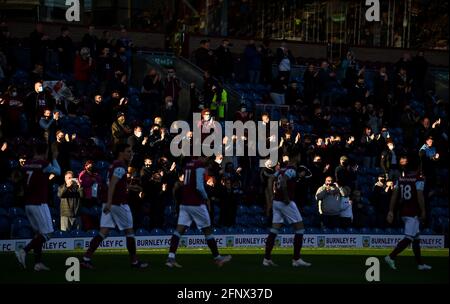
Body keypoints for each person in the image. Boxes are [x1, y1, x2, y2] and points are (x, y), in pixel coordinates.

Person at [80, 144, 148, 269]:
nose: (130, 154)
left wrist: (129, 187)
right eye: (128, 151)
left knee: (103, 232)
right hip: (118, 204)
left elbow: (114, 184)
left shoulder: (113, 165)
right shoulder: (120, 166)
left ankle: (86, 258)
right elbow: (112, 184)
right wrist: (111, 202)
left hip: (110, 203)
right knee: (130, 232)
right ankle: (134, 262)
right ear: (120, 153)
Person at [165, 157, 232, 268]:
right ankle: (217, 258)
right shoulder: (199, 166)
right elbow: (199, 187)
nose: (207, 160)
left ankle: (171, 258)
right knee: (207, 230)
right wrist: (206, 198)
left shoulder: (188, 165)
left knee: (178, 230)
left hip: (185, 203)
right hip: (196, 203)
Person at [14, 141, 61, 271]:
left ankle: (38, 263)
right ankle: (23, 250)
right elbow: (58, 171)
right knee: (48, 234)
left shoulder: (27, 164)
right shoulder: (44, 164)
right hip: (39, 203)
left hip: (28, 204)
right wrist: (55, 158)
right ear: (45, 152)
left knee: (38, 234)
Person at [384, 159, 432, 271]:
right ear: (418, 168)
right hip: (413, 212)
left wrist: (391, 211)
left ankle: (420, 264)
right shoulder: (418, 179)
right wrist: (423, 211)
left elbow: (394, 196)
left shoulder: (400, 179)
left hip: (403, 211)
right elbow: (420, 196)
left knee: (416, 238)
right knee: (409, 238)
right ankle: (391, 256)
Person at [263, 167, 311, 267]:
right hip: (285, 202)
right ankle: (296, 259)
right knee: (300, 228)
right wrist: (286, 197)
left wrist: (272, 195)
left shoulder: (281, 170)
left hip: (276, 202)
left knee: (275, 229)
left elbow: (271, 178)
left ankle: (266, 259)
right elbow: (284, 181)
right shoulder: (292, 170)